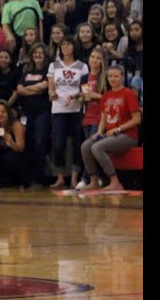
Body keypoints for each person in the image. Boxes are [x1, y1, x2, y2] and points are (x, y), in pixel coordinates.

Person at [79, 65, 142, 191]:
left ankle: (115, 181)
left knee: (97, 147)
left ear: (122, 77)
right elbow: (103, 118)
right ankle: (94, 181)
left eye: (116, 76)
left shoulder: (128, 94)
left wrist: (118, 129)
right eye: (110, 76)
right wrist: (98, 132)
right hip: (109, 134)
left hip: (127, 136)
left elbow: (137, 119)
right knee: (85, 146)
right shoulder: (106, 95)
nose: (112, 79)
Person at [47, 36, 87, 190]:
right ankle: (60, 178)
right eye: (63, 44)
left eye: (68, 44)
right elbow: (51, 87)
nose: (65, 47)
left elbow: (85, 89)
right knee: (58, 145)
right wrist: (52, 94)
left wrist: (75, 96)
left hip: (76, 109)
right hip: (58, 110)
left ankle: (75, 178)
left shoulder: (82, 66)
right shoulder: (54, 66)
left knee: (77, 144)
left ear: (74, 47)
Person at [15, 43, 52, 187]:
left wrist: (28, 89)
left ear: (45, 55)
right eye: (35, 53)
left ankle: (39, 177)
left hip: (42, 111)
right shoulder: (26, 71)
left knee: (40, 142)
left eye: (40, 53)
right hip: (27, 112)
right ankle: (27, 178)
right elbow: (19, 89)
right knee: (28, 143)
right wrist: (34, 90)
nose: (37, 55)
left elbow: (45, 86)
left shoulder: (48, 70)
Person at [77, 48, 108, 189]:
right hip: (86, 117)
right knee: (87, 149)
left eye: (97, 58)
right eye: (92, 57)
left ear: (102, 62)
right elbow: (86, 97)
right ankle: (95, 177)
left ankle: (86, 178)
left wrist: (96, 96)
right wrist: (77, 97)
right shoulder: (84, 78)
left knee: (90, 147)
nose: (94, 60)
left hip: (99, 118)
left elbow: (108, 98)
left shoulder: (105, 77)